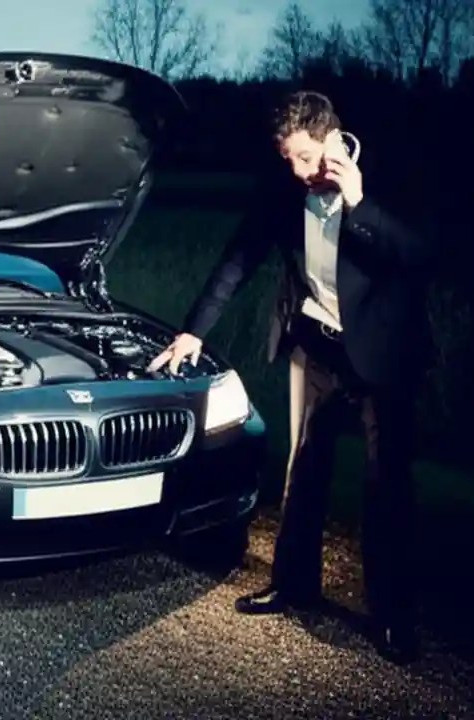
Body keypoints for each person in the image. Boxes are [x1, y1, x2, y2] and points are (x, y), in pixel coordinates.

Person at [147, 90, 436, 664]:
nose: (299, 171)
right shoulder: (285, 187)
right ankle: (293, 585)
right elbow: (239, 258)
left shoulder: (390, 173)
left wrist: (359, 203)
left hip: (382, 353)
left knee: (386, 482)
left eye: (306, 157)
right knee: (303, 468)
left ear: (332, 138)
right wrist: (193, 332)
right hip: (317, 345)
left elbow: (419, 257)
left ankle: (393, 618)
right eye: (288, 160)